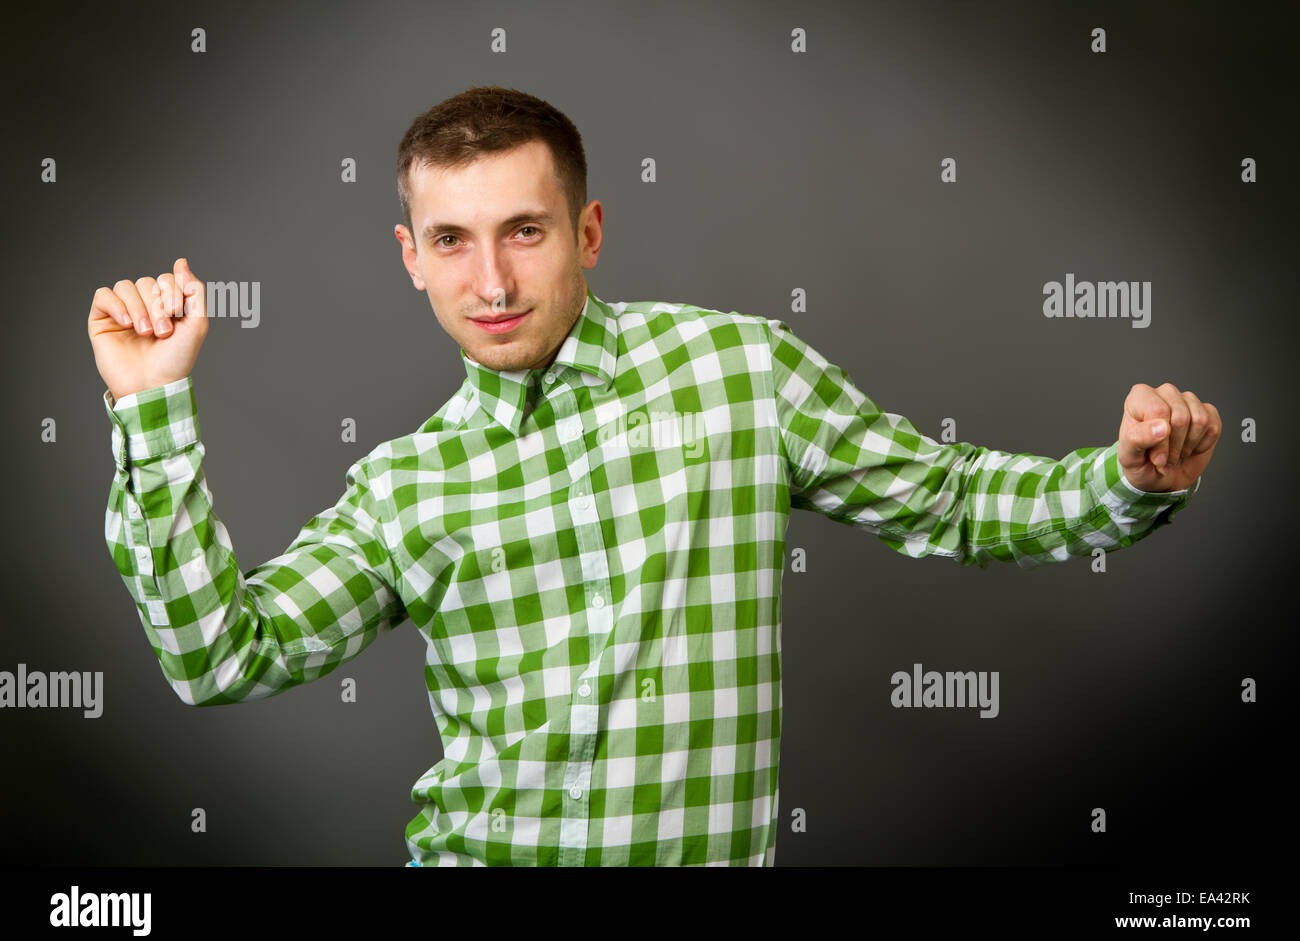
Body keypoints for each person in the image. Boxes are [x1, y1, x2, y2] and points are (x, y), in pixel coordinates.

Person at [86, 85, 1221, 867]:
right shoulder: (402, 485)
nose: (489, 280)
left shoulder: (738, 370)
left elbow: (951, 499)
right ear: (409, 257)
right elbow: (218, 657)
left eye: (524, 231)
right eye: (450, 240)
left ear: (587, 230)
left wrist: (1123, 480)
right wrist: (150, 409)